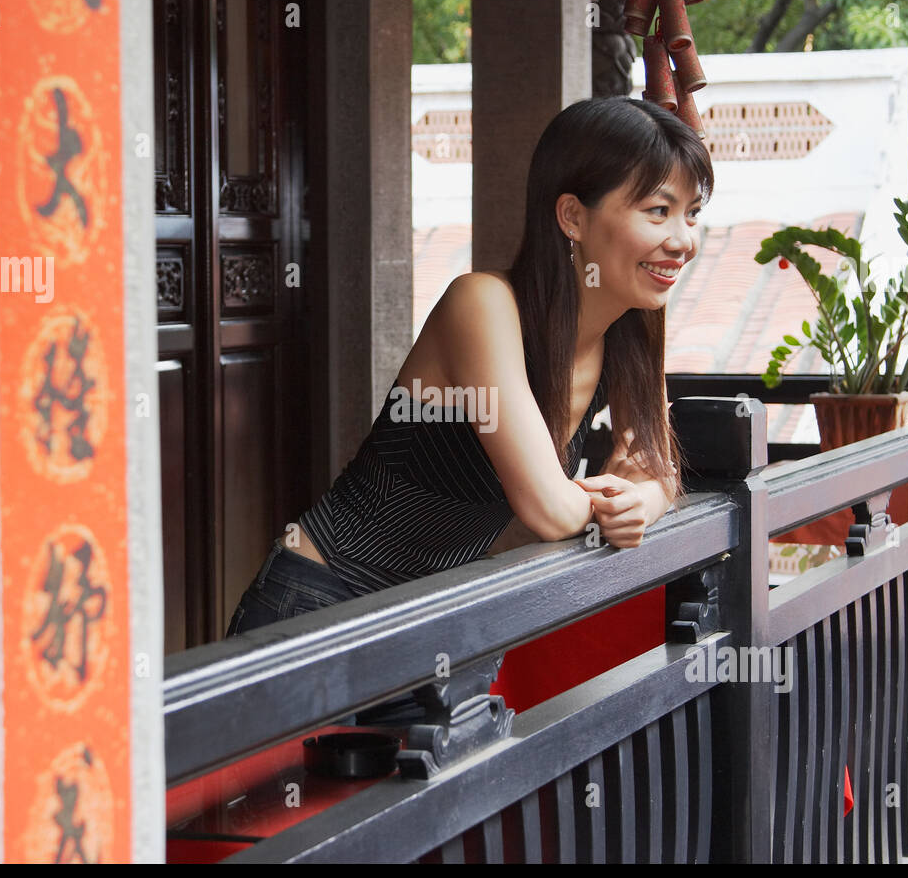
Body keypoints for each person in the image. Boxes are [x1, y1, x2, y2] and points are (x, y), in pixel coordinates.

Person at [226, 94, 712, 726]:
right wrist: (614, 499)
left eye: (693, 214)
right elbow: (547, 507)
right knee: (270, 826)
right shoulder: (481, 304)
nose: (683, 241)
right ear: (572, 215)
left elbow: (657, 471)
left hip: (437, 627)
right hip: (322, 611)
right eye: (658, 211)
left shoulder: (629, 330)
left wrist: (638, 505)